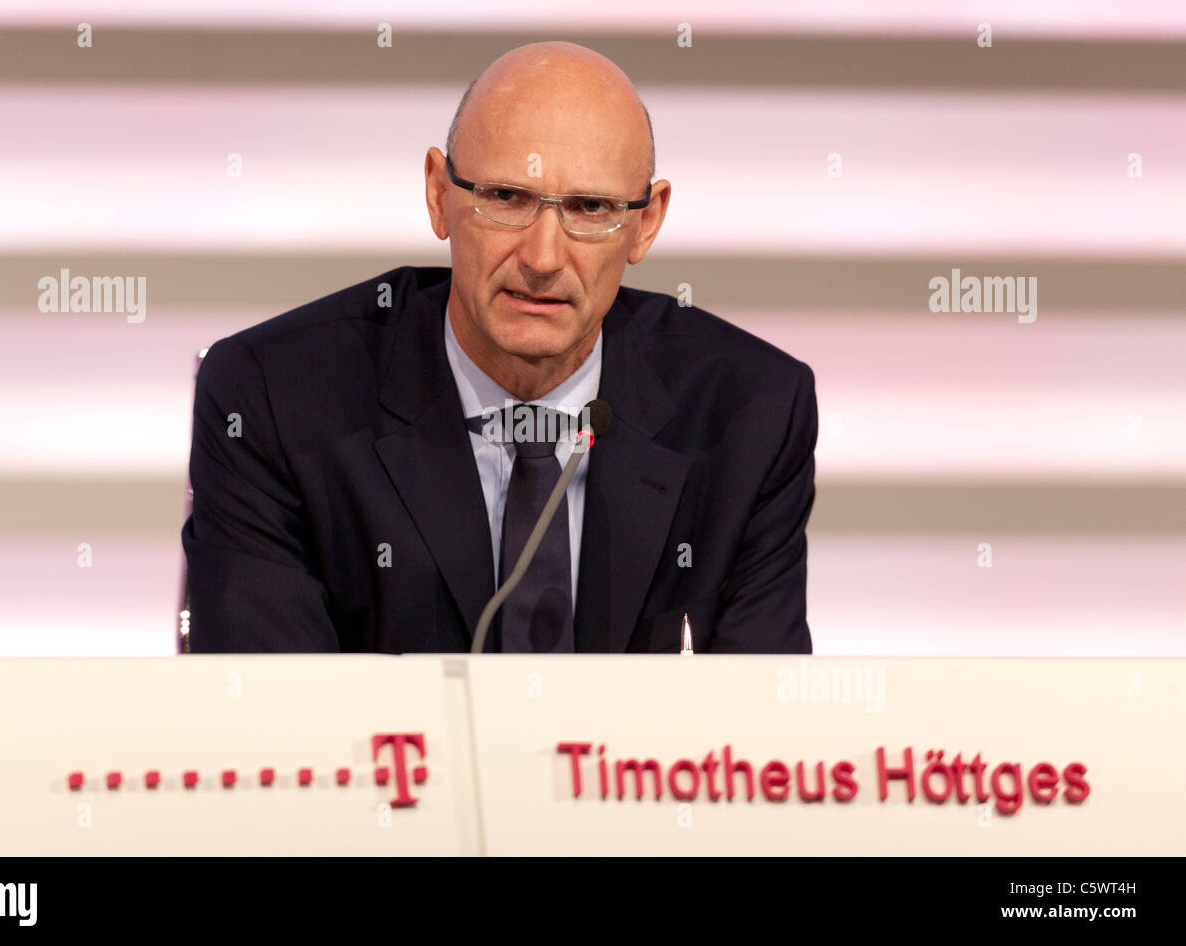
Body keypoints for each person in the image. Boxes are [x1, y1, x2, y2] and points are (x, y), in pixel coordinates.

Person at [182, 41, 817, 654]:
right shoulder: (272, 400)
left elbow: (761, 735)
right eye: (506, 198)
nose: (542, 259)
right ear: (439, 194)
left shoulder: (751, 415)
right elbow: (268, 729)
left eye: (591, 208)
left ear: (645, 223)